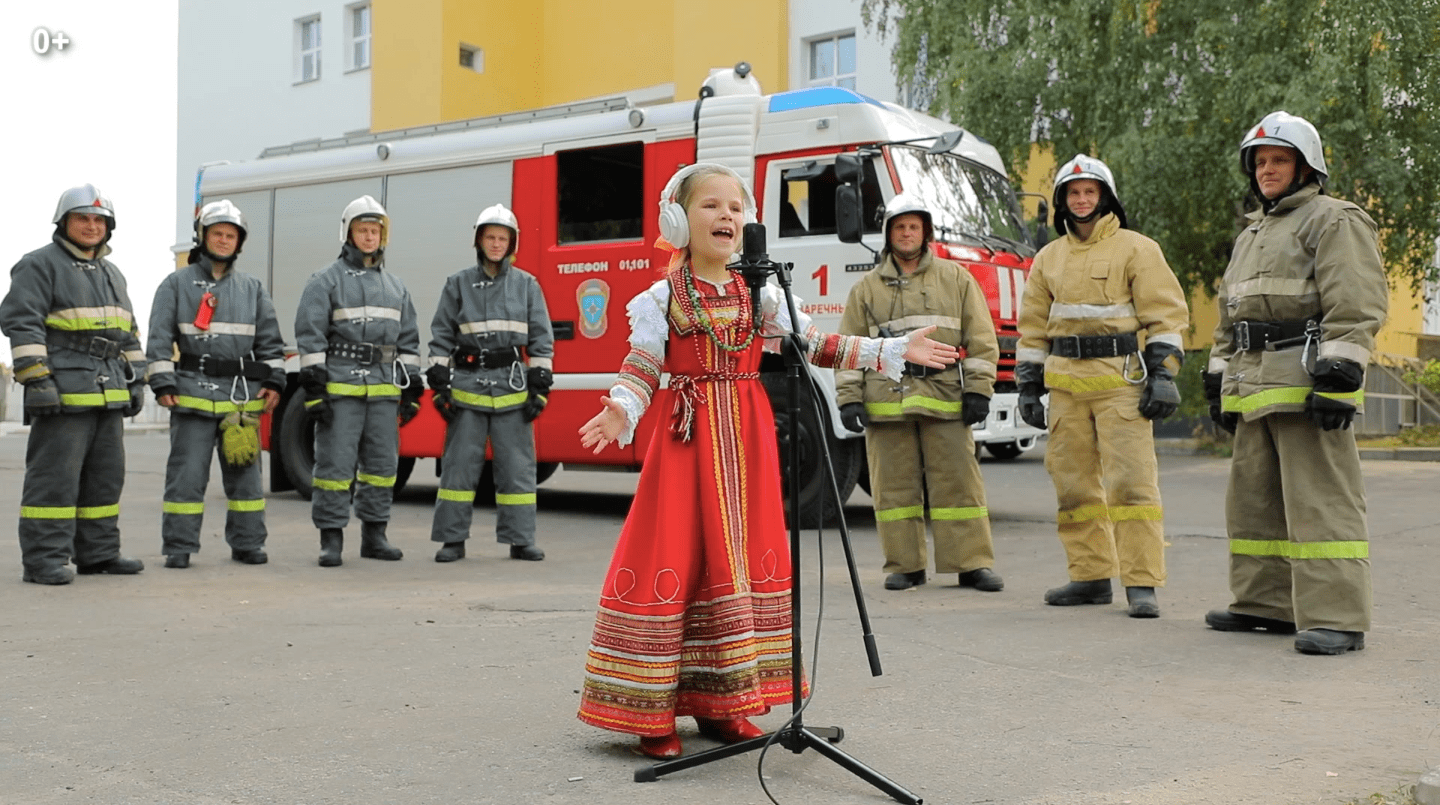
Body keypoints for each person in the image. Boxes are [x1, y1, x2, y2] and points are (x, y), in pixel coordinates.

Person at [575, 163, 960, 759]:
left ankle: (726, 706)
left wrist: (889, 350)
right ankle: (653, 712)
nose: (726, 216)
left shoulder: (761, 290)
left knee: (745, 564)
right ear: (677, 219)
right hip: (687, 441)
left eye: (736, 206)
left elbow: (817, 344)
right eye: (710, 205)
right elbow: (644, 364)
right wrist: (620, 409)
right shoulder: (661, 297)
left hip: (749, 441)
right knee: (677, 553)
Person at [1202, 111, 1386, 655]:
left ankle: (1338, 616)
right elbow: (1228, 317)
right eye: (1260, 162)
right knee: (1253, 504)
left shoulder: (1333, 219)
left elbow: (1354, 301)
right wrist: (1218, 379)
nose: (1267, 170)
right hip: (1253, 385)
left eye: (1279, 160)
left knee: (1321, 504)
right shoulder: (1252, 233)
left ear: (1307, 167)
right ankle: (1265, 604)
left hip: (1307, 384)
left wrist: (1341, 376)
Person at [1015, 154, 1189, 618]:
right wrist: (1029, 387)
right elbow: (1032, 329)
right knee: (1073, 486)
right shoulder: (1048, 258)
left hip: (1120, 383)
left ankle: (1141, 582)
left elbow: (1165, 316)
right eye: (1073, 193)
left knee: (1132, 484)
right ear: (1062, 201)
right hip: (1065, 388)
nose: (1082, 200)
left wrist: (1165, 374)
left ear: (1105, 197)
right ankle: (1090, 577)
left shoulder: (1138, 248)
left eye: (1090, 191)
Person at [835, 193, 1003, 593]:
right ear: (888, 234)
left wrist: (979, 389)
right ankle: (905, 565)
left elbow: (982, 338)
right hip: (885, 401)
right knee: (893, 488)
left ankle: (971, 564)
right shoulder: (865, 288)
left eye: (913, 226)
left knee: (959, 485)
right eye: (899, 227)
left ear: (924, 232)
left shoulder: (956, 278)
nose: (906, 233)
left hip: (945, 398)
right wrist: (849, 397)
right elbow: (849, 346)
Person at [1, 184, 147, 584]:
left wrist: (138, 378)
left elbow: (128, 332)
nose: (91, 225)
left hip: (109, 390)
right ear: (64, 222)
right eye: (83, 217)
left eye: (99, 220)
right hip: (63, 390)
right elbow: (22, 323)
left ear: (109, 227)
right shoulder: (39, 264)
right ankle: (44, 559)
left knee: (105, 478)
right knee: (54, 479)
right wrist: (37, 380)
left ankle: (98, 554)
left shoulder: (112, 273)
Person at [146, 200, 286, 568]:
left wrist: (274, 380)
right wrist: (162, 381)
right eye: (217, 233)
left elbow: (271, 344)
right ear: (202, 237)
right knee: (186, 477)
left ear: (239, 242)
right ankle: (179, 546)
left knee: (246, 480)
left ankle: (248, 544)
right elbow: (159, 337)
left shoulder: (252, 289)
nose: (223, 240)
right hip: (191, 393)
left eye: (230, 235)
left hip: (239, 400)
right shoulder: (175, 285)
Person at [295, 195, 423, 567]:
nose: (369, 237)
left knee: (382, 467)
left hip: (384, 391)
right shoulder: (324, 281)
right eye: (362, 230)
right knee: (334, 467)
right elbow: (311, 334)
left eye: (375, 231)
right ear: (347, 234)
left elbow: (409, 341)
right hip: (340, 390)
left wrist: (412, 387)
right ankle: (331, 538)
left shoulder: (396, 287)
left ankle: (374, 535)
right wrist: (315, 387)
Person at [427, 204, 554, 562]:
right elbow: (440, 336)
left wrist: (540, 385)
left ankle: (520, 539)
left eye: (503, 238)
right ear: (478, 241)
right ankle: (452, 540)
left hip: (512, 388)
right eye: (490, 237)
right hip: (467, 386)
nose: (496, 244)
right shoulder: (457, 284)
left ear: (512, 243)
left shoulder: (527, 285)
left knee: (517, 468)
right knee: (458, 467)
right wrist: (439, 384)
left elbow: (542, 339)